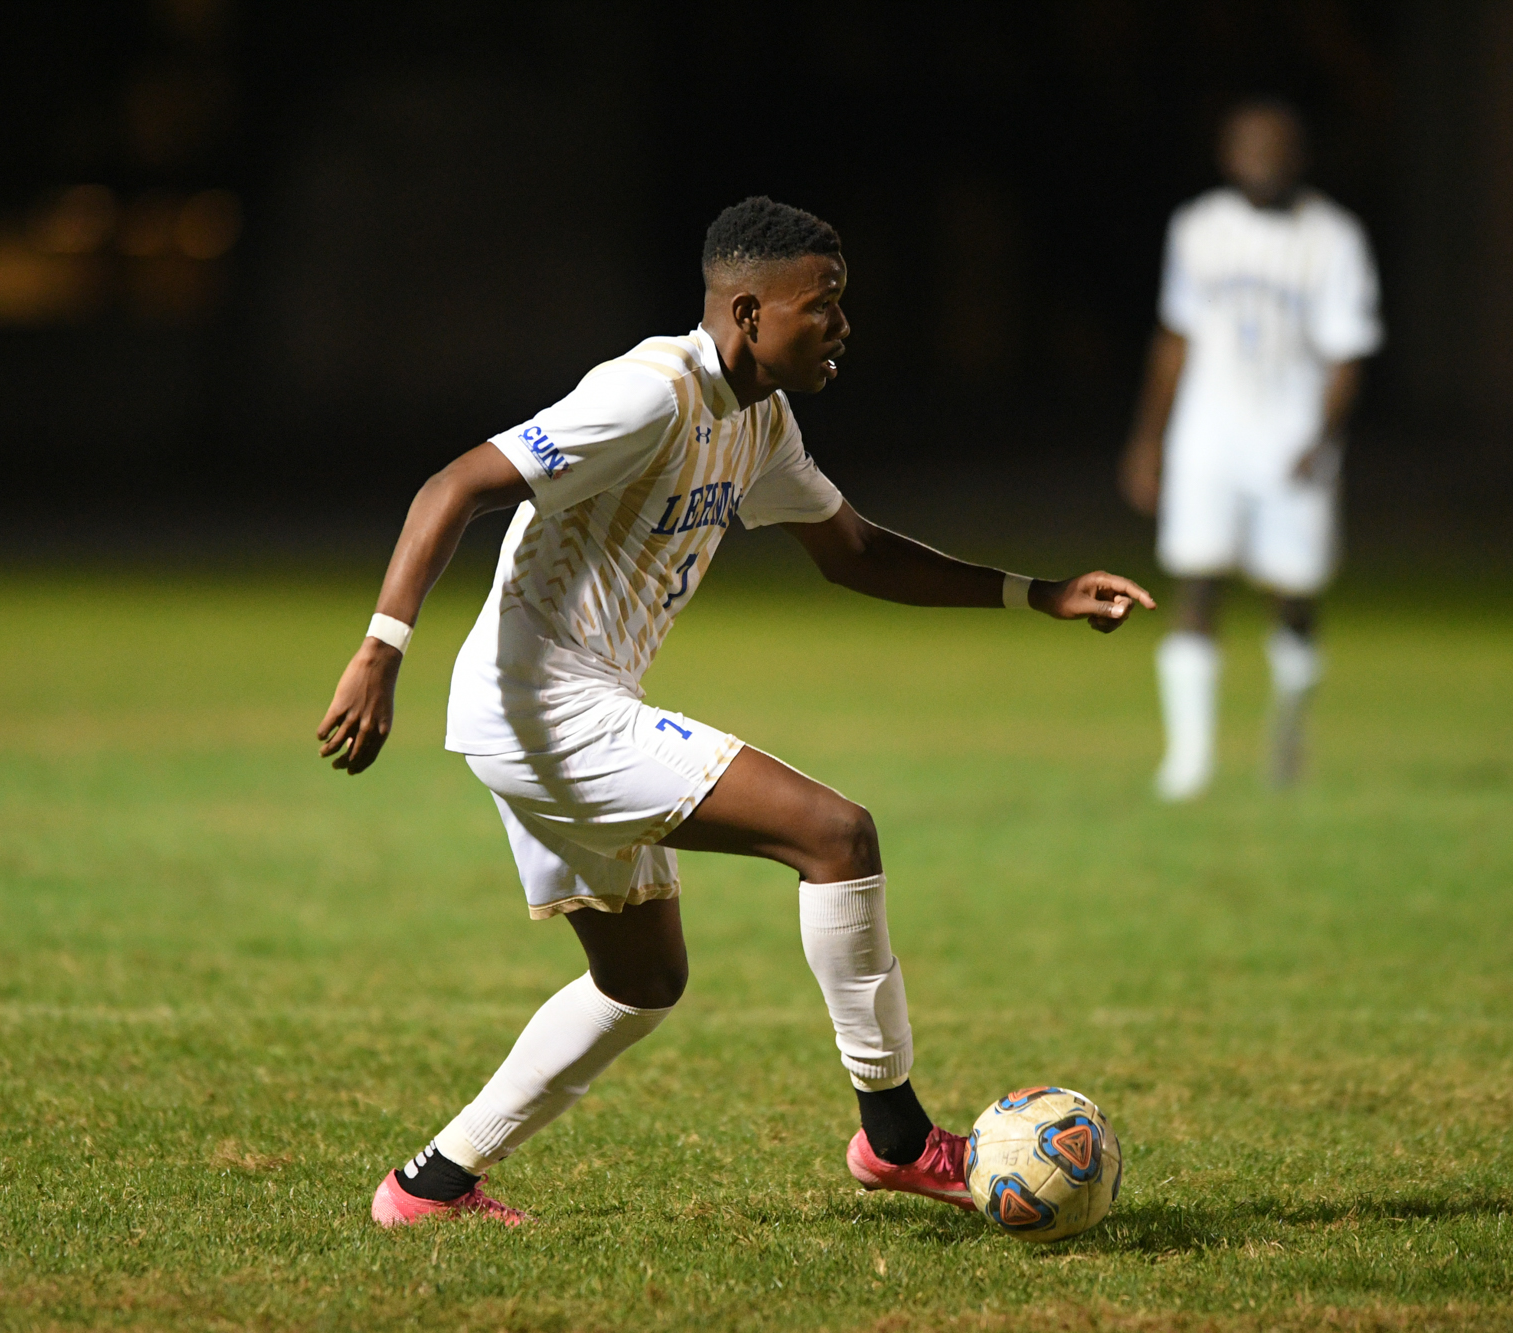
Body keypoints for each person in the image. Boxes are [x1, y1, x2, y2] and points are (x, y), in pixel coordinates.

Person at [319, 196, 1155, 1227]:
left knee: (641, 982)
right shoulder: (645, 395)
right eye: (824, 305)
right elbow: (454, 484)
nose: (842, 324)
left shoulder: (759, 420)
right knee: (835, 833)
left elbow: (851, 550)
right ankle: (895, 1139)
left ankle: (427, 1187)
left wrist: (1036, 591)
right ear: (749, 311)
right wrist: (378, 650)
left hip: (545, 716)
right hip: (545, 709)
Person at [1118, 99, 1382, 800]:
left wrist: (1320, 439)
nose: (1262, 161)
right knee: (1197, 580)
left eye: (1276, 148)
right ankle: (1189, 760)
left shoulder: (1333, 237)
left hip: (1291, 437)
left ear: (1300, 155)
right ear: (1228, 154)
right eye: (1249, 147)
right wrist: (1150, 439)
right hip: (1209, 435)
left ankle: (1289, 730)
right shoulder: (1199, 228)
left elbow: (1347, 353)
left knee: (1293, 595)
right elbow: (1174, 336)